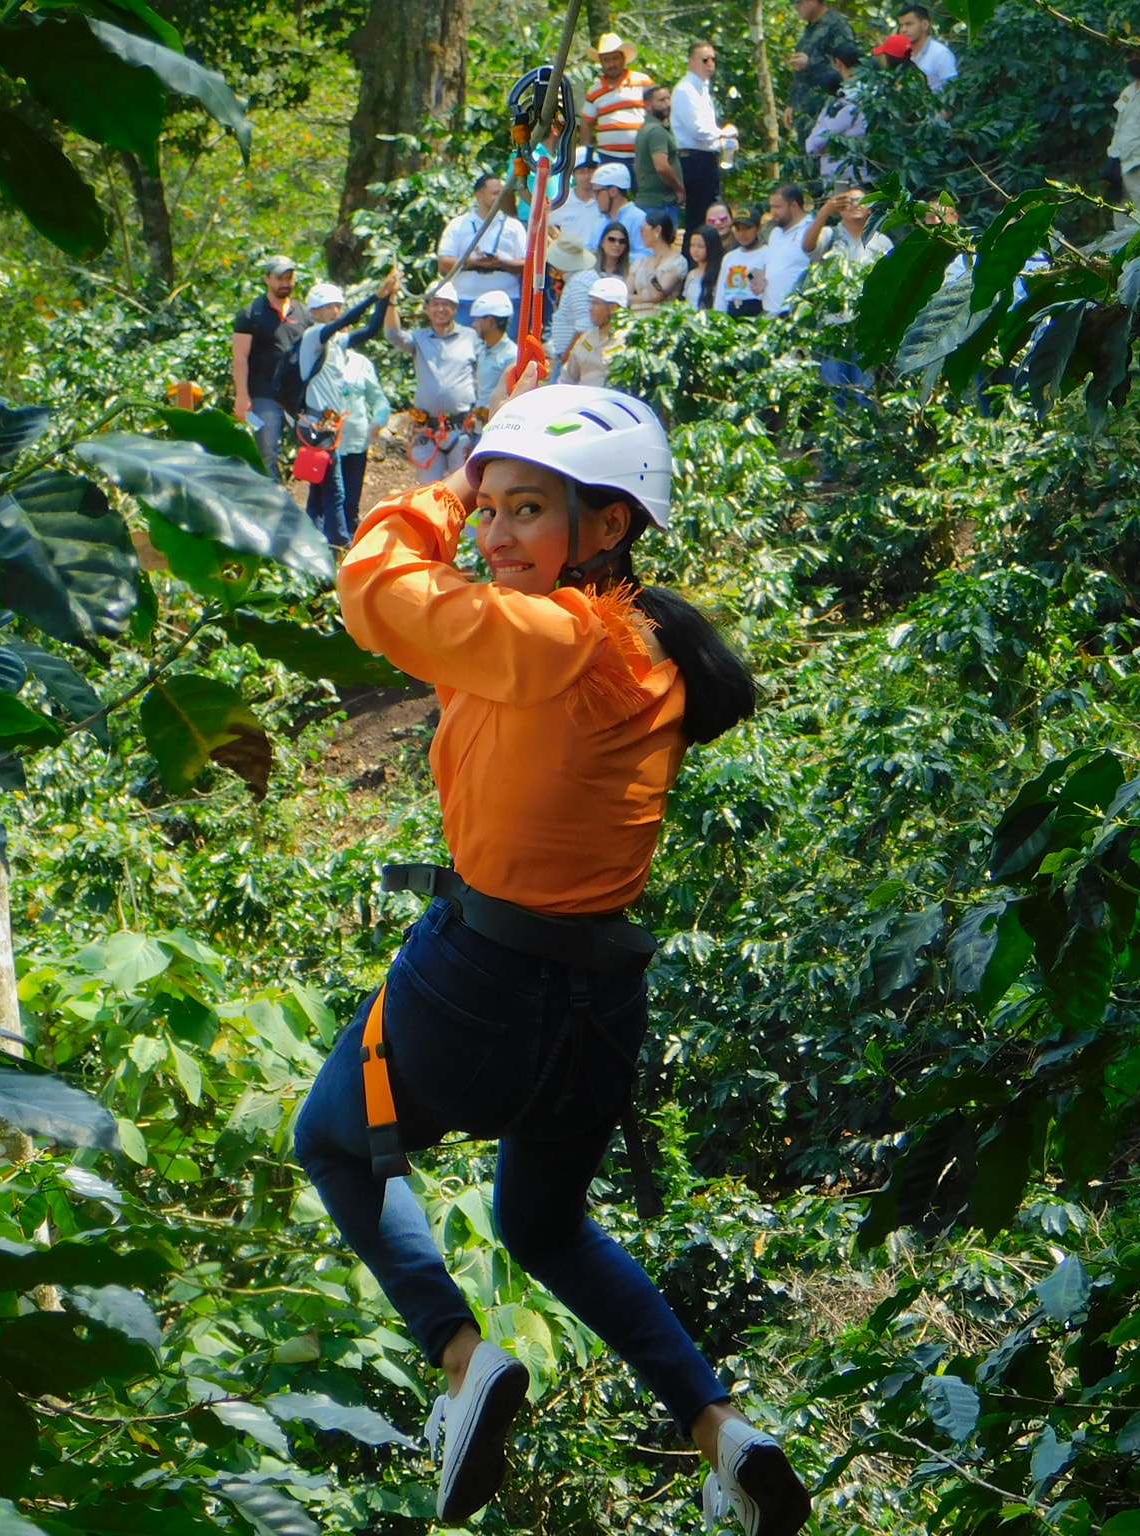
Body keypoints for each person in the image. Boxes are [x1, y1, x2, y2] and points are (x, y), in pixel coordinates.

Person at [295, 382, 796, 1536]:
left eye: (525, 511)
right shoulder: (640, 646)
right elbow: (465, 649)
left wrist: (439, 492)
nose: (494, 533)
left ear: (607, 527)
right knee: (545, 1221)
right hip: (599, 998)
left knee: (330, 1140)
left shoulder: (552, 638)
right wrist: (500, 490)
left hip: (479, 977)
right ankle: (720, 1430)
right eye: (491, 510)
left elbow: (372, 590)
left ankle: (460, 1358)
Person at [297, 272, 396, 546]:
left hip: (329, 427)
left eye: (338, 305)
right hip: (318, 427)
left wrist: (385, 299)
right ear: (315, 311)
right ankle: (340, 542)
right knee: (335, 491)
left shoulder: (336, 343)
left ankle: (315, 541)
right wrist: (373, 296)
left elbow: (369, 330)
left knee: (320, 489)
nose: (336, 311)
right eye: (330, 306)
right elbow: (347, 322)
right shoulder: (313, 336)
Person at [387, 280, 482, 484]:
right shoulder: (419, 338)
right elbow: (393, 335)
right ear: (427, 308)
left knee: (465, 489)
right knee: (429, 492)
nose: (440, 309)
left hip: (461, 428)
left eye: (446, 304)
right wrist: (392, 299)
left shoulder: (470, 337)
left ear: (455, 308)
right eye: (435, 303)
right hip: (427, 429)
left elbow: (484, 373)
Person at [231, 255, 302, 478]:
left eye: (288, 278)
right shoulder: (251, 314)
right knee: (267, 453)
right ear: (266, 279)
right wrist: (242, 397)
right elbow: (240, 356)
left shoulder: (304, 314)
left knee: (312, 453)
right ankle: (270, 505)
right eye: (279, 278)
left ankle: (313, 510)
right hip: (263, 396)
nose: (285, 283)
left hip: (298, 398)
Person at [437, 174, 529, 329]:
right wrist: (471, 262)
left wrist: (500, 263)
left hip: (507, 302)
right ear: (479, 195)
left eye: (502, 193)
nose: (500, 197)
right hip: (466, 301)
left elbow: (528, 265)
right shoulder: (458, 224)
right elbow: (443, 264)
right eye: (494, 193)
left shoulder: (514, 226)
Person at [337, 345, 394, 541]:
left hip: (356, 440)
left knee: (351, 498)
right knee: (330, 497)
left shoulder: (360, 363)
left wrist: (379, 420)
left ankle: (350, 543)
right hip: (327, 442)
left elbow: (378, 399)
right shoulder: (316, 357)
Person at [671, 42, 725, 239]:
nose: (710, 64)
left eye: (713, 59)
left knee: (709, 216)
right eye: (704, 60)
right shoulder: (686, 90)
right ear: (691, 62)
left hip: (706, 158)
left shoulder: (703, 89)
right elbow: (697, 130)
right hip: (694, 160)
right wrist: (723, 134)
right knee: (698, 220)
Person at [579, 32, 654, 163]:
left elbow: (657, 111)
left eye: (615, 59)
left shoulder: (643, 81)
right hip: (608, 157)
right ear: (601, 62)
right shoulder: (594, 91)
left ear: (623, 59)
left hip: (643, 155)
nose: (611, 64)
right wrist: (585, 157)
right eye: (607, 60)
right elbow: (587, 124)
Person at [786, 0, 858, 131]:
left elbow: (848, 68)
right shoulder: (809, 30)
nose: (796, 7)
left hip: (827, 112)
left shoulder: (837, 26)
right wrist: (792, 104)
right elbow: (800, 74)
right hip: (805, 112)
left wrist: (811, 64)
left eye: (798, 2)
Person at [803, 44, 868, 186]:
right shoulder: (870, 88)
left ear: (837, 63)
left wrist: (813, 144)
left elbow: (825, 135)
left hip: (847, 172)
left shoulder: (849, 96)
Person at [1108, 57, 1140, 229]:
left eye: (1138, 54)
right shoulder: (1128, 92)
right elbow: (1120, 127)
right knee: (1122, 219)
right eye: (1128, 56)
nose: (1132, 60)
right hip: (1121, 164)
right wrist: (1112, 159)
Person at [546, 230, 603, 366]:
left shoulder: (579, 283)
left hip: (574, 359)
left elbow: (585, 326)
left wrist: (567, 356)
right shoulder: (581, 279)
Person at [559, 277, 628, 386]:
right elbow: (568, 375)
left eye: (596, 303)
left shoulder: (626, 341)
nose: (590, 308)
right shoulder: (587, 337)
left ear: (613, 308)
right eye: (590, 302)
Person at [759, 184, 814, 316]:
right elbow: (767, 267)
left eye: (777, 207)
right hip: (770, 312)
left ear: (794, 206)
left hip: (796, 311)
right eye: (771, 207)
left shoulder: (810, 230)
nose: (773, 212)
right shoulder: (774, 233)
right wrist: (757, 277)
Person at [801, 188, 892, 265]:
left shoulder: (882, 241)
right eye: (850, 201)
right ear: (839, 209)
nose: (856, 205)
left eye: (861, 201)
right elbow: (808, 246)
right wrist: (824, 212)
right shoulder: (830, 234)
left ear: (869, 209)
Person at [632, 84, 684, 215]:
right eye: (661, 100)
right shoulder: (657, 131)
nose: (667, 104)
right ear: (648, 105)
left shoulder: (646, 128)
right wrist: (679, 188)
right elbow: (661, 166)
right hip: (659, 204)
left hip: (649, 202)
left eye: (668, 99)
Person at [628, 208, 688, 313]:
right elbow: (624, 295)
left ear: (657, 230)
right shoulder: (640, 261)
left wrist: (651, 271)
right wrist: (645, 297)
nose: (640, 234)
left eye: (643, 229)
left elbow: (656, 294)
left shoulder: (676, 262)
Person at [551, 149, 610, 253]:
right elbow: (547, 226)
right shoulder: (561, 200)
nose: (587, 176)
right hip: (569, 259)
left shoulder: (607, 201)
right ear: (573, 174)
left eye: (591, 171)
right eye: (581, 172)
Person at [470, 291, 518, 413]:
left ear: (490, 321)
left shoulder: (511, 356)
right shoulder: (483, 350)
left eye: (477, 320)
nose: (473, 324)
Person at [716, 206, 766, 315]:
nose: (742, 234)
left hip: (755, 309)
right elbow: (721, 292)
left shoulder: (767, 254)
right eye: (738, 229)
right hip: (732, 308)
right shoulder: (729, 257)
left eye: (747, 228)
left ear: (758, 228)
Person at [896, 4, 958, 92]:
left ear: (925, 25)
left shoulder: (940, 53)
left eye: (909, 24)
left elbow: (953, 92)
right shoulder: (903, 55)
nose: (903, 30)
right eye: (901, 25)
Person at [591, 162, 648, 254]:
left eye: (597, 192)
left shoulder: (638, 219)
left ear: (613, 191)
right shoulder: (601, 220)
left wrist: (615, 257)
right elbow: (590, 248)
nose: (594, 198)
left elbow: (646, 256)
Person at [683, 226, 724, 309]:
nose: (695, 250)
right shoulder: (692, 274)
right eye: (692, 245)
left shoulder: (719, 274)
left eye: (701, 246)